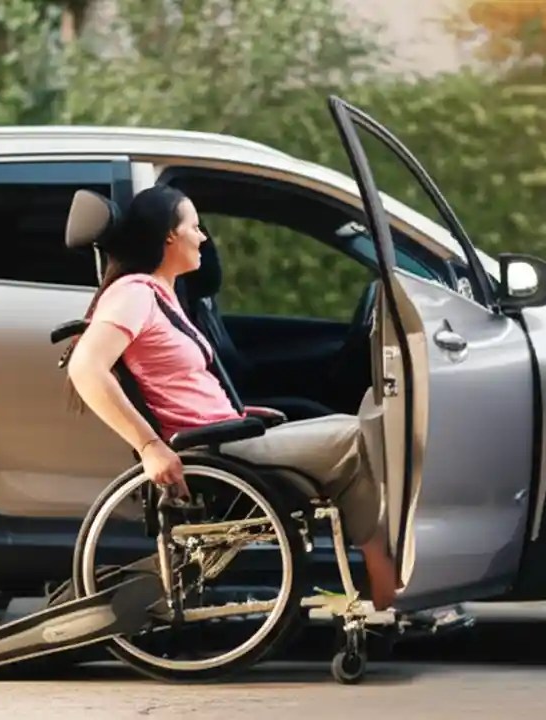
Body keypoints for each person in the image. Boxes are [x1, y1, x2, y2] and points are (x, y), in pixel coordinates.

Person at [64, 184, 400, 610]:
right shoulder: (133, 294)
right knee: (362, 434)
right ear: (170, 237)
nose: (203, 237)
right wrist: (149, 447)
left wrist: (238, 413)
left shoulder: (161, 294)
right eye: (195, 227)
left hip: (227, 435)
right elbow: (85, 368)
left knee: (358, 431)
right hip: (215, 451)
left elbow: (182, 390)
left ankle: (383, 585)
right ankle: (388, 584)